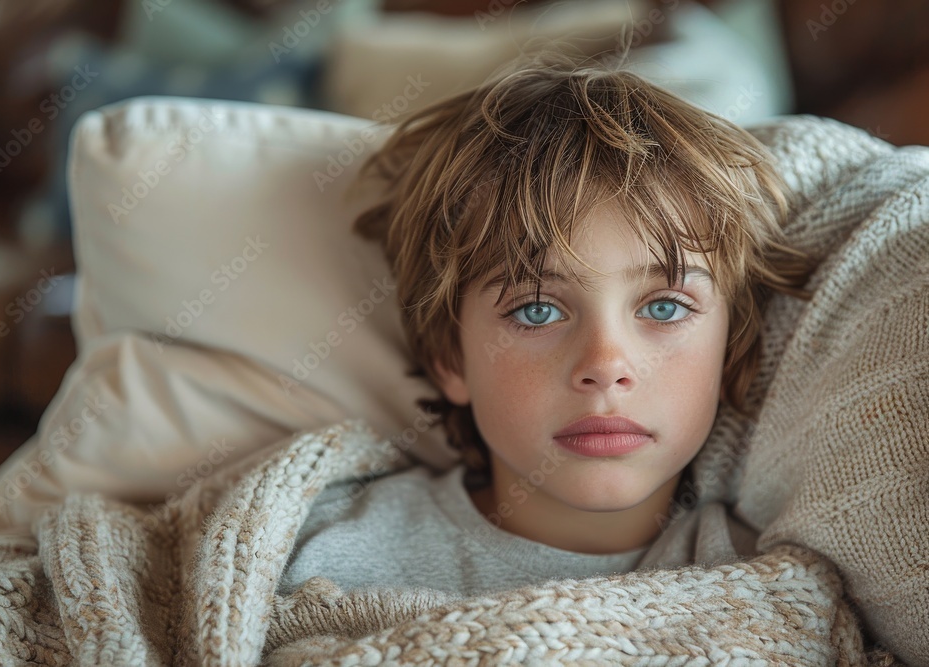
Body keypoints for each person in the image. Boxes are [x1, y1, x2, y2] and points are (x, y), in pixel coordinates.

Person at [276, 54, 815, 598]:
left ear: (731, 347)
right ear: (450, 357)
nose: (605, 366)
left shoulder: (766, 583)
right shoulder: (316, 553)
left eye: (665, 307)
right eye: (537, 310)